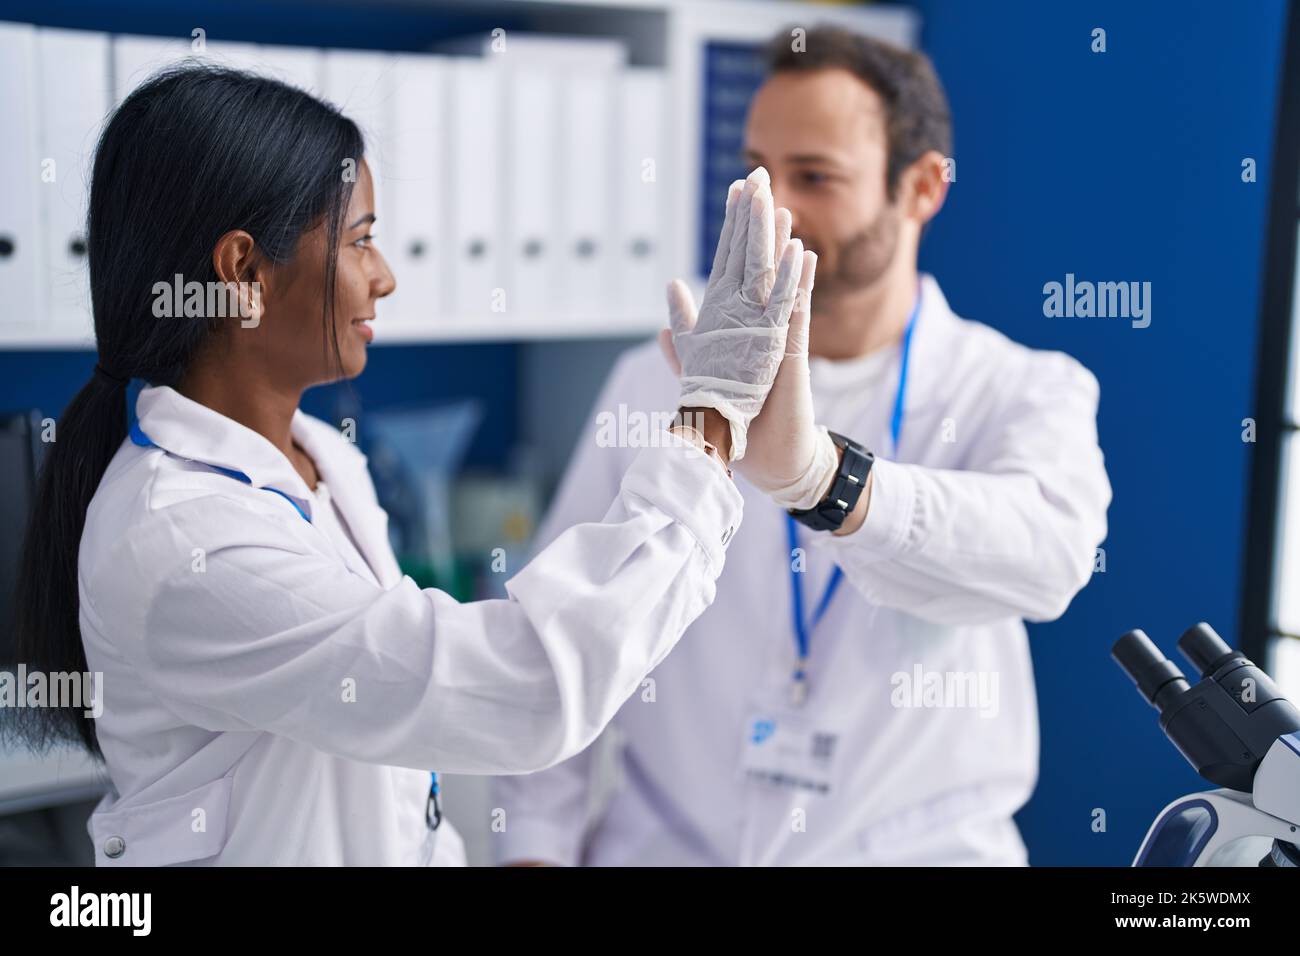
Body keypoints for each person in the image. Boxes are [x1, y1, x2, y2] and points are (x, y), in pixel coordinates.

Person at [9, 64, 814, 865]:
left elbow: (391, 764)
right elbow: (525, 686)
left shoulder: (319, 457)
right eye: (359, 239)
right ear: (244, 274)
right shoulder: (186, 543)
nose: (384, 276)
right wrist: (708, 423)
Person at [493, 26, 1112, 866]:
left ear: (923, 187)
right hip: (664, 845)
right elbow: (563, 624)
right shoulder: (658, 375)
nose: (771, 208)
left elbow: (1049, 556)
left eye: (815, 176)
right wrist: (534, 848)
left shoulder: (1021, 388)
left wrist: (824, 478)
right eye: (756, 169)